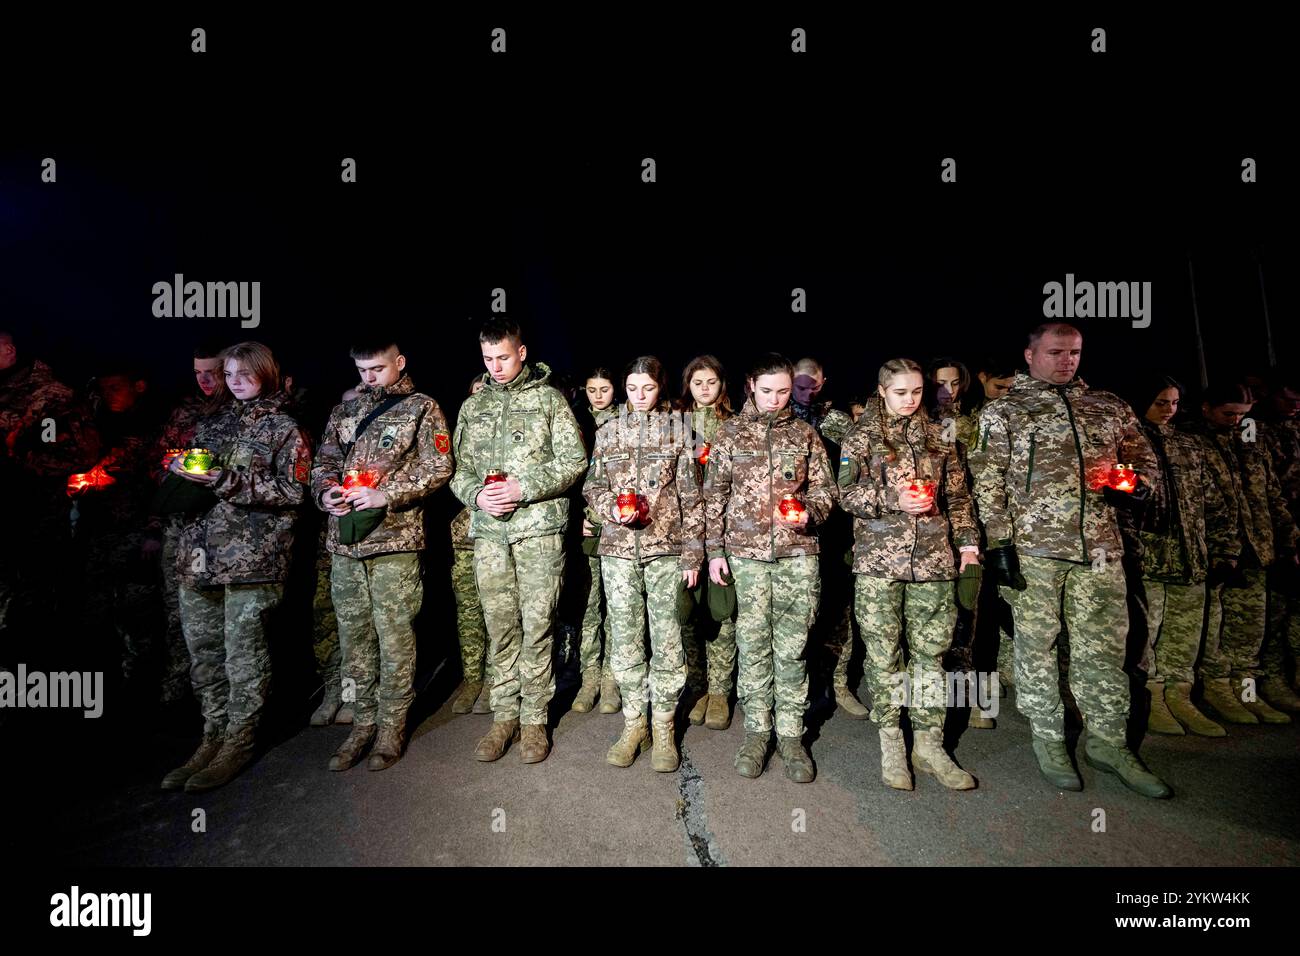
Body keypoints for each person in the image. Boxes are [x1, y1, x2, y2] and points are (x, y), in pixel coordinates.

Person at [970, 322, 1172, 798]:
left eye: (1075, 352)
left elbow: (1145, 467)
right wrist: (998, 545)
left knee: (1103, 648)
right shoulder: (1006, 411)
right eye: (1056, 352)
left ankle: (1108, 741)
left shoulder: (1107, 406)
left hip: (1100, 548)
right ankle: (1049, 738)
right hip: (1034, 549)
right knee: (1036, 647)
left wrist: (1131, 485)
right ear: (1029, 354)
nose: (1067, 361)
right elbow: (988, 481)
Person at [161, 342, 311, 792]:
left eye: (245, 373)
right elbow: (193, 474)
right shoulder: (212, 422)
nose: (235, 382)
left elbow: (295, 492)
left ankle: (238, 742)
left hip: (252, 561)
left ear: (265, 372)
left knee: (243, 656)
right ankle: (211, 737)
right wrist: (180, 469)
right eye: (228, 375)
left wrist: (225, 480)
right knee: (204, 655)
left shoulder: (285, 427)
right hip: (199, 557)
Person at [311, 339, 453, 771]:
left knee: (394, 636)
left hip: (394, 540)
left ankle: (391, 727)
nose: (368, 377)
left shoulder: (422, 408)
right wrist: (326, 493)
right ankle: (361, 724)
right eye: (362, 370)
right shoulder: (345, 411)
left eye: (376, 368)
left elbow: (439, 466)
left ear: (399, 363)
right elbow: (323, 463)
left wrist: (385, 494)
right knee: (354, 640)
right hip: (346, 544)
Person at [449, 318, 586, 764]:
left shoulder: (548, 400)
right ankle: (503, 717)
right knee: (499, 626)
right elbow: (458, 470)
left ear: (522, 352)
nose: (496, 366)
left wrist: (522, 487)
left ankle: (534, 721)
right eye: (488, 359)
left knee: (537, 624)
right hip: (489, 535)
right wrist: (475, 494)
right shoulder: (473, 408)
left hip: (538, 533)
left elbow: (574, 461)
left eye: (503, 357)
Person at [838, 360, 980, 790]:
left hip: (935, 561)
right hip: (880, 563)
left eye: (917, 391)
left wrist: (969, 544)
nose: (910, 400)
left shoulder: (941, 434)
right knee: (884, 658)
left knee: (931, 655)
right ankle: (891, 742)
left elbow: (958, 494)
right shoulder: (861, 436)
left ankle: (929, 742)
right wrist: (892, 497)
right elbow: (845, 494)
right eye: (900, 393)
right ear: (882, 391)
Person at [705, 354, 837, 782]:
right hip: (746, 558)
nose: (776, 400)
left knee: (793, 646)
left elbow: (825, 491)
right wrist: (714, 551)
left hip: (798, 554)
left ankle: (792, 735)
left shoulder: (805, 435)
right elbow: (713, 498)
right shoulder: (728, 434)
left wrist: (809, 514)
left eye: (783, 392)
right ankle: (757, 731)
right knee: (753, 644)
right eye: (767, 391)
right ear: (750, 386)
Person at [583, 356, 703, 770]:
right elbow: (593, 485)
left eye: (647, 389)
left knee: (668, 638)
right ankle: (635, 723)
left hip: (665, 551)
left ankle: (665, 724)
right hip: (618, 551)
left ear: (660, 389)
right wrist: (609, 511)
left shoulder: (678, 433)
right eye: (632, 388)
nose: (639, 396)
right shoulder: (608, 433)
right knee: (626, 638)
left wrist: (693, 553)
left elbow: (692, 497)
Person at [1187, 382, 1300, 723]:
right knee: (1213, 631)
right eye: (1229, 413)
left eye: (1242, 415)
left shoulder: (1249, 442)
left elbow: (1271, 493)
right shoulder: (1192, 441)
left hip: (1256, 548)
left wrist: (1289, 539)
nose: (1236, 421)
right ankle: (1219, 691)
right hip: (1216, 551)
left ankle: (1247, 690)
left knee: (1252, 630)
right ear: (1206, 408)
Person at [1128, 375, 1233, 736]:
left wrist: (1223, 548)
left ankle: (1181, 696)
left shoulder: (1189, 445)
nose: (1169, 410)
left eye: (1174, 403)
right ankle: (1153, 698)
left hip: (1192, 556)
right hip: (1151, 557)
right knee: (1148, 635)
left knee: (1186, 635)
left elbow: (1214, 501)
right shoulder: (1129, 442)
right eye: (1161, 402)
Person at [150, 344, 228, 706]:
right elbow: (157, 463)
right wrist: (173, 466)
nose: (206, 380)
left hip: (223, 529)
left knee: (225, 616)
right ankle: (181, 688)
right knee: (176, 608)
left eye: (213, 370)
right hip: (179, 526)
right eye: (198, 373)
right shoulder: (185, 411)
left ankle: (227, 696)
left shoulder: (241, 410)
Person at [676, 355, 738, 730]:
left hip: (722, 526)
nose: (703, 388)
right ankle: (698, 686)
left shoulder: (733, 424)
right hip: (683, 526)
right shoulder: (674, 422)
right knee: (688, 610)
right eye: (697, 382)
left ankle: (719, 691)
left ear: (721, 385)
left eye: (710, 382)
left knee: (722, 611)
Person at [569, 367, 620, 714]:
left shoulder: (628, 420)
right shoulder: (572, 419)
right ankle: (589, 677)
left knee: (618, 608)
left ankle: (610, 678)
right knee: (589, 606)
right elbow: (569, 477)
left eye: (604, 388)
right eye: (591, 389)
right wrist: (577, 520)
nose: (597, 396)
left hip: (618, 524)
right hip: (586, 525)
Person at [1258, 378, 1300, 708]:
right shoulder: (1254, 430)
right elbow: (1265, 487)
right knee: (1272, 613)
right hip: (1271, 528)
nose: (1294, 403)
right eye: (1288, 396)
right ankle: (1270, 678)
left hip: (1291, 525)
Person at [450, 376, 491, 715]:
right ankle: (472, 677)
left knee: (500, 610)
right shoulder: (464, 434)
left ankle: (494, 678)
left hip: (497, 532)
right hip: (465, 535)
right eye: (475, 392)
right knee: (469, 611)